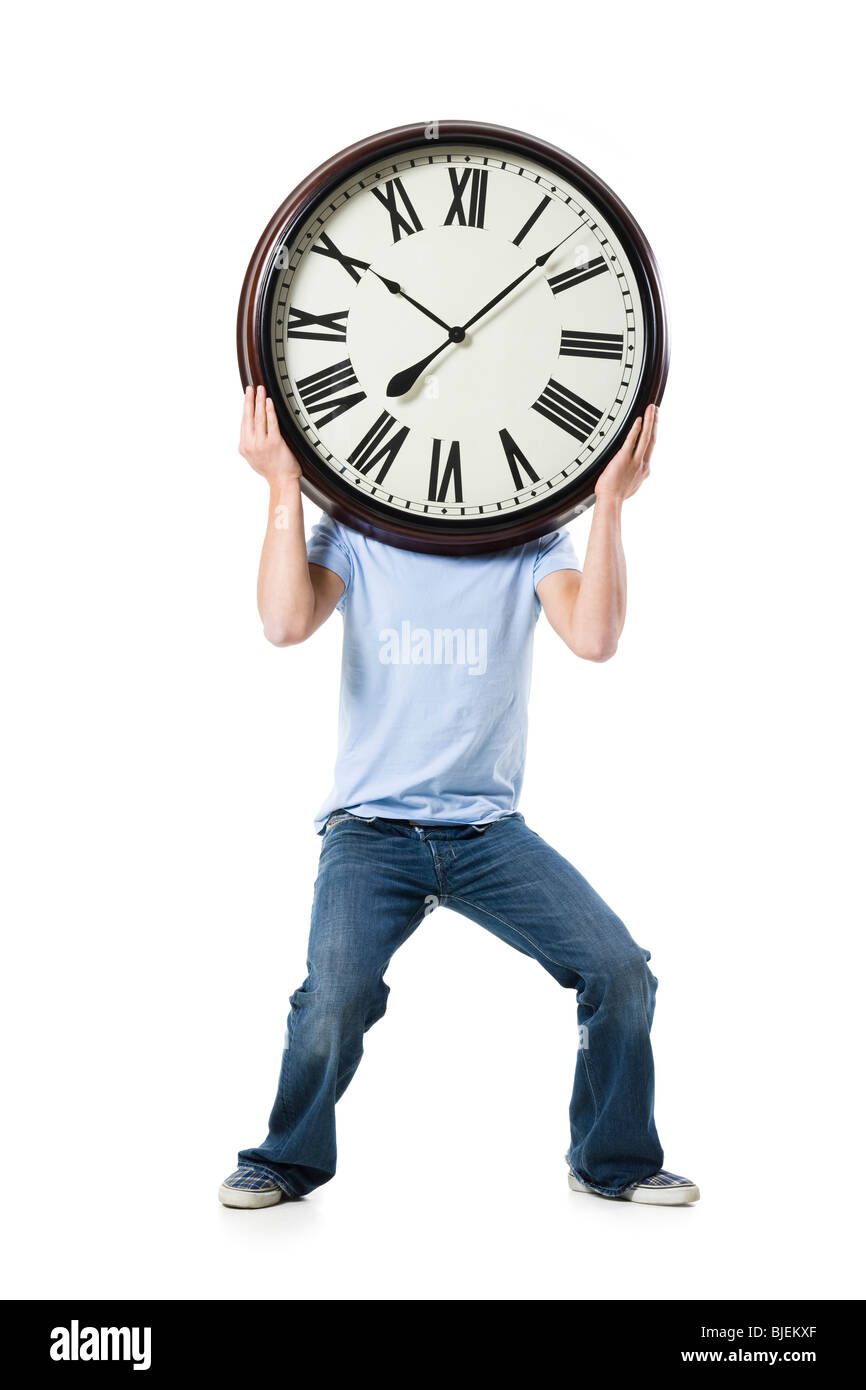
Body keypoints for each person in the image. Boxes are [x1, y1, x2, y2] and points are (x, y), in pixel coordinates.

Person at [219, 384, 699, 1209]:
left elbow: (595, 639)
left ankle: (612, 1160)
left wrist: (611, 504)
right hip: (370, 833)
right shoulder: (362, 536)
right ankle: (283, 1159)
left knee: (619, 971)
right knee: (334, 997)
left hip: (488, 834)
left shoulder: (530, 543)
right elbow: (283, 622)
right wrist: (279, 486)